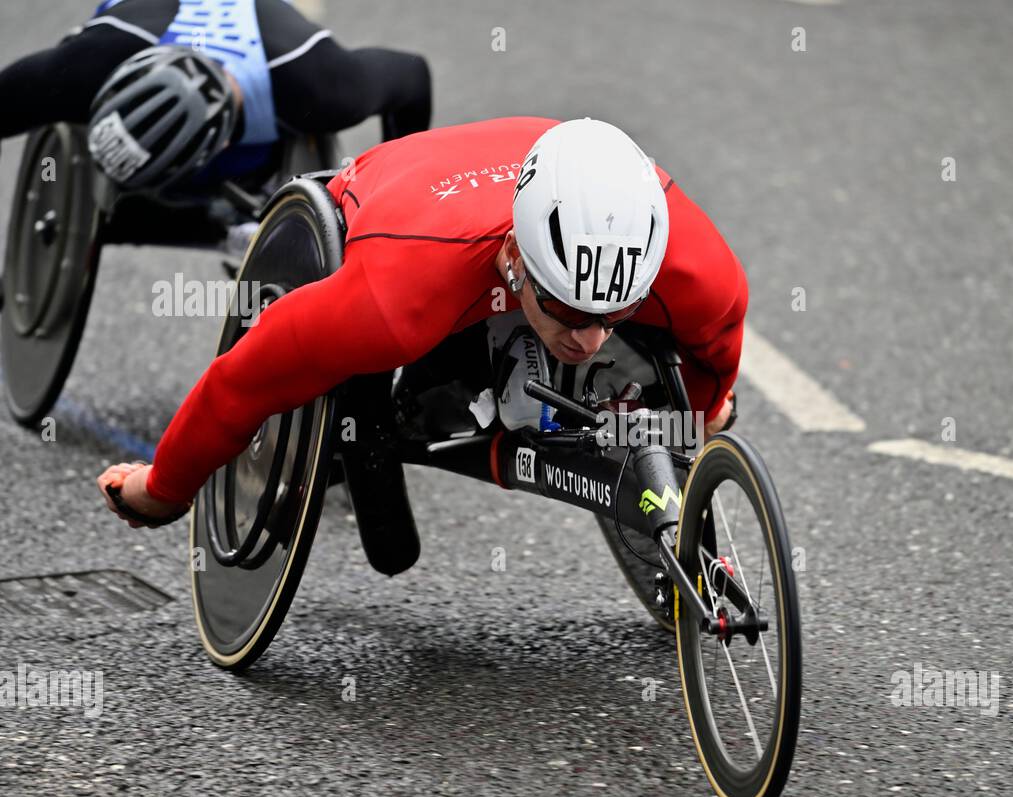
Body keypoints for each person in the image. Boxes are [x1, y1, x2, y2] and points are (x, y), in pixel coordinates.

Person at [96, 117, 745, 527]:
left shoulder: (697, 271)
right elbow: (242, 382)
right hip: (411, 197)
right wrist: (164, 487)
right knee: (381, 362)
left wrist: (703, 408)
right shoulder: (396, 297)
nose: (591, 338)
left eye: (614, 315)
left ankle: (539, 337)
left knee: (689, 359)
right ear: (516, 261)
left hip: (556, 167)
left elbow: (714, 365)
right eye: (570, 312)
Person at [0, 0, 432, 192]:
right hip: (141, 22)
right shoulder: (83, 68)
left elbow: (412, 76)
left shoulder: (321, 86)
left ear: (223, 143)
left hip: (268, 37)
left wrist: (391, 195)